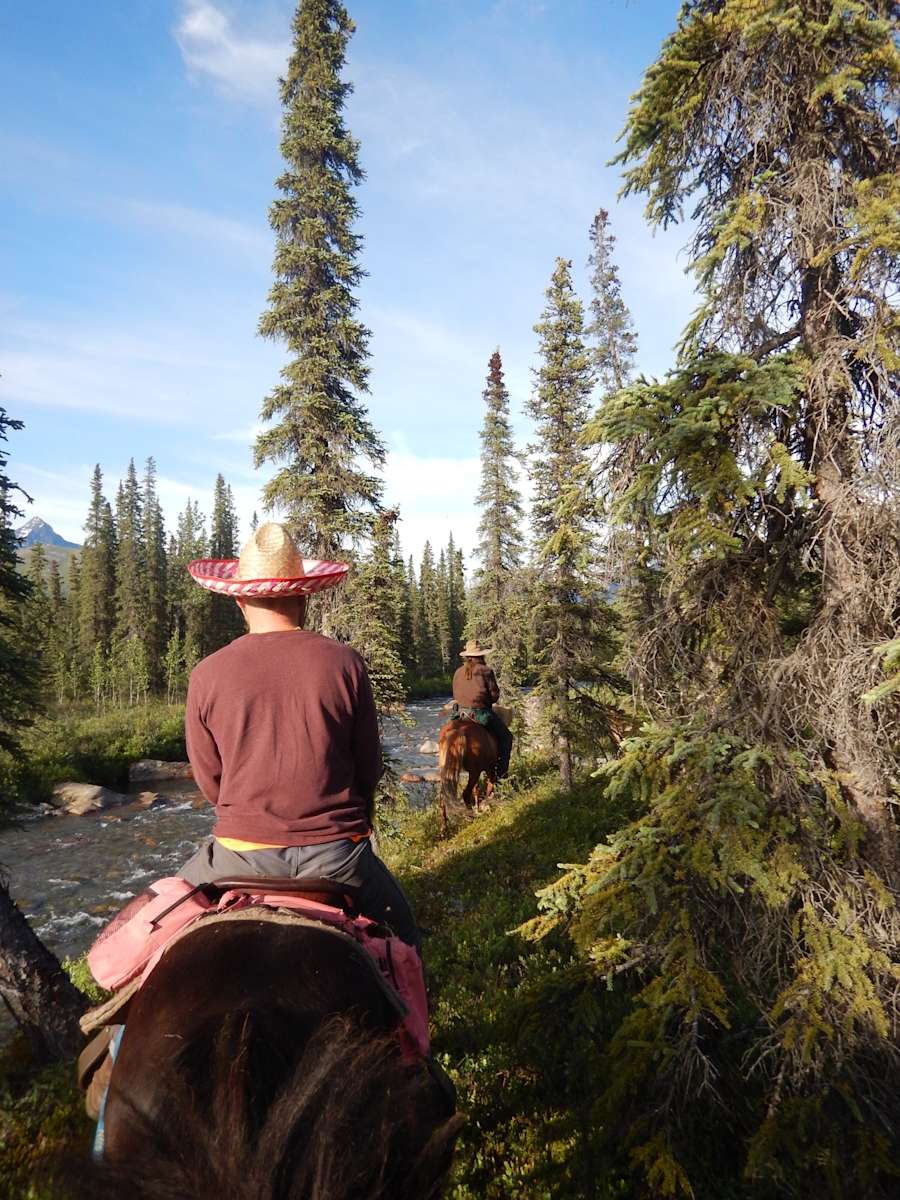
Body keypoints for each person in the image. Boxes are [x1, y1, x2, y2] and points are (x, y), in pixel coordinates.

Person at [178, 522, 419, 949]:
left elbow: (210, 781)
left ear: (238, 597)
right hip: (336, 857)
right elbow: (368, 767)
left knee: (154, 940)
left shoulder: (206, 674)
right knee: (407, 946)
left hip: (235, 854)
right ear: (304, 593)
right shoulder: (345, 663)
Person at [450, 640, 513, 778]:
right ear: (481, 655)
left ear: (467, 656)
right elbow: (494, 695)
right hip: (479, 714)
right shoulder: (486, 670)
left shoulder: (458, 672)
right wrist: (487, 701)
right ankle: (501, 776)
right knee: (507, 737)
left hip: (459, 714)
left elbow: (455, 694)